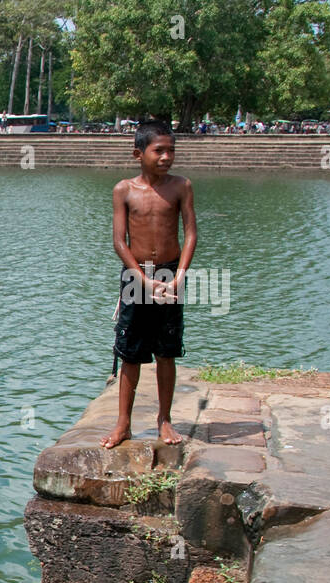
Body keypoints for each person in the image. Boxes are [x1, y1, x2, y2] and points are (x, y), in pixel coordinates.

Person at [101, 119, 197, 449]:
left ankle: (164, 419)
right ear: (138, 154)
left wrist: (181, 274)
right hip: (135, 274)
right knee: (130, 352)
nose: (166, 156)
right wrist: (141, 279)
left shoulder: (181, 186)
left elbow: (190, 234)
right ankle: (123, 424)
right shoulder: (124, 190)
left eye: (171, 150)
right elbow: (119, 240)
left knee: (166, 350)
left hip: (171, 273)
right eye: (159, 150)